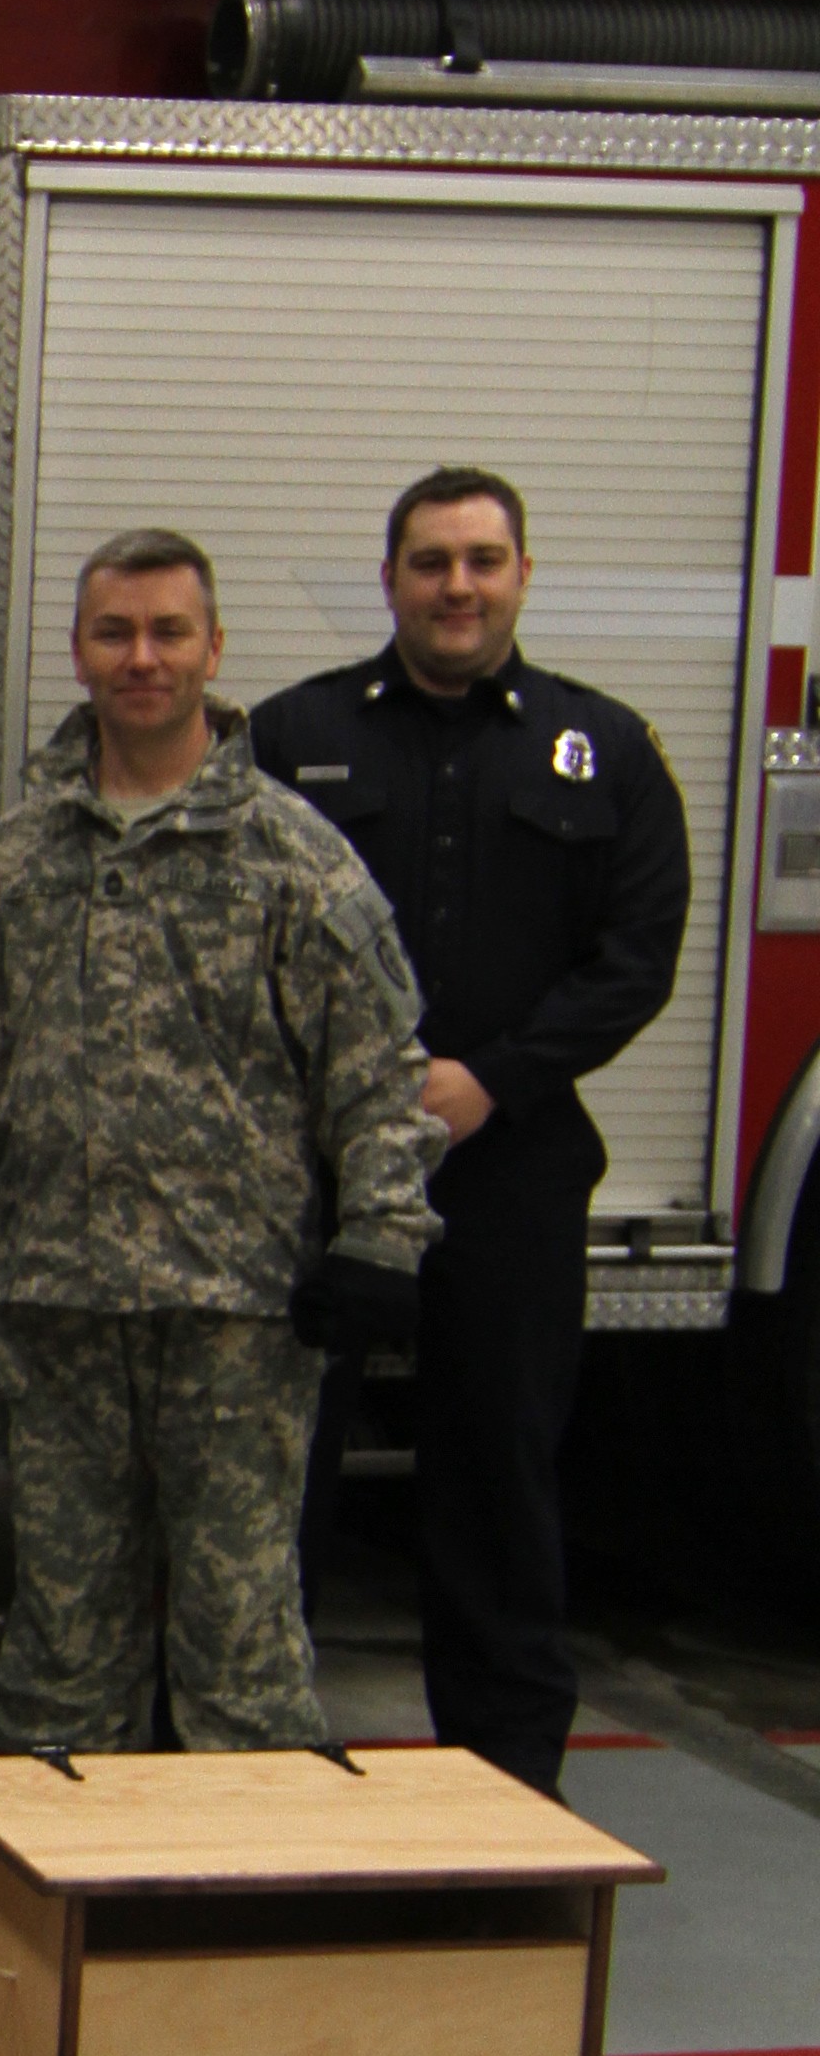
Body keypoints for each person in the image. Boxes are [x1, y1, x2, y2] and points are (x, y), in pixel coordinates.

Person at [0, 529, 446, 1754]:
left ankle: (232, 1926)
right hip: (56, 1313)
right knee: (62, 1648)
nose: (142, 658)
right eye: (115, 633)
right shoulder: (15, 865)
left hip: (238, 1319)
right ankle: (61, 1920)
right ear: (79, 654)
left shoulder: (293, 859)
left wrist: (382, 1241)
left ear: (212, 649)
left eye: (168, 632)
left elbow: (379, 1075)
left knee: (239, 1649)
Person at [251, 470, 687, 1794]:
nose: (458, 586)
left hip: (507, 1179)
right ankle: (256, 1774)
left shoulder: (600, 748)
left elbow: (635, 959)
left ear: (521, 575)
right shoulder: (291, 735)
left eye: (483, 560)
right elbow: (229, 941)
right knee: (277, 1493)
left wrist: (490, 1081)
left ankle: (506, 1793)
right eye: (432, 561)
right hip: (315, 1184)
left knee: (495, 1489)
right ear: (390, 578)